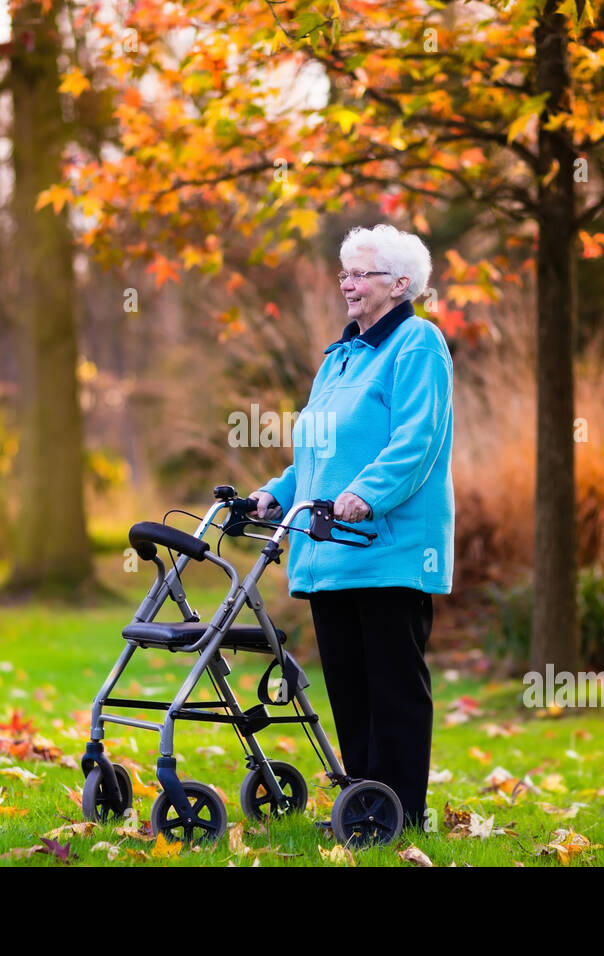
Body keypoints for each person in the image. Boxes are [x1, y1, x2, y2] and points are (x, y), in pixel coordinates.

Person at [250, 223, 454, 832]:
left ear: (399, 284)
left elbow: (417, 439)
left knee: (392, 690)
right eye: (343, 272)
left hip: (389, 551)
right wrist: (274, 494)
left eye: (359, 273)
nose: (347, 283)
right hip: (329, 551)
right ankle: (365, 810)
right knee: (349, 690)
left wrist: (365, 494)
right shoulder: (339, 360)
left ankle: (403, 815)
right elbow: (314, 458)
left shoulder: (418, 344)